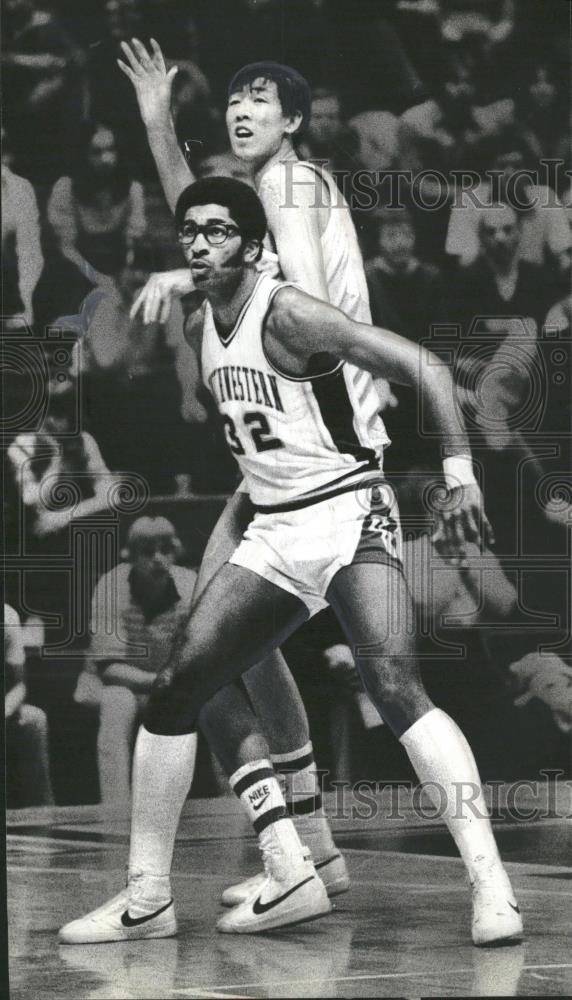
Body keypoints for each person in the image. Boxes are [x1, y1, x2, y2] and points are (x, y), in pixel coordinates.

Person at [59, 177, 523, 947]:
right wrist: (156, 117)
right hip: (273, 527)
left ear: (253, 244)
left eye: (216, 233)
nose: (199, 243)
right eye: (190, 234)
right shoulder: (205, 307)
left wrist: (459, 473)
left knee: (398, 685)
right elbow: (197, 191)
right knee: (178, 688)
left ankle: (492, 887)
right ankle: (148, 898)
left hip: (348, 511)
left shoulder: (290, 312)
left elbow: (429, 370)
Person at [115, 41, 392, 901]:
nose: (241, 110)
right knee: (234, 648)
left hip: (325, 449)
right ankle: (312, 847)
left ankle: (291, 852)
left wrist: (182, 275)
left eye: (261, 99)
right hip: (289, 454)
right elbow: (201, 219)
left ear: (295, 121)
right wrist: (159, 123)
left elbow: (286, 297)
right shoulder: (261, 193)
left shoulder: (296, 186)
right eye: (233, 98)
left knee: (216, 649)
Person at [85, 518, 196, 807]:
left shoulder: (191, 585)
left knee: (218, 700)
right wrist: (161, 681)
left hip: (167, 685)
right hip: (113, 686)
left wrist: (170, 682)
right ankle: (116, 809)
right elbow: (108, 668)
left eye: (166, 549)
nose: (158, 558)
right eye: (148, 551)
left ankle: (232, 804)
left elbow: (201, 653)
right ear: (130, 556)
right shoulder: (111, 585)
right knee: (118, 701)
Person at [5, 602, 54, 808]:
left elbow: (19, 685)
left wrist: (6, 710)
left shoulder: (6, 616)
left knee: (35, 720)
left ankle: (41, 818)